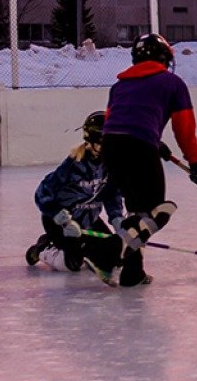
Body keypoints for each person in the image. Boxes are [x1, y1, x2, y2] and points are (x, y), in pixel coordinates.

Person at [95, 33, 197, 287]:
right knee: (159, 211)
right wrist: (195, 164)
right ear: (164, 57)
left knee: (136, 212)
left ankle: (132, 272)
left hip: (110, 147)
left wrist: (155, 142)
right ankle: (124, 244)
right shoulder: (172, 83)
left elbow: (118, 121)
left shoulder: (119, 86)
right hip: (139, 146)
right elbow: (184, 127)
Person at [26, 112, 126, 274]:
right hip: (61, 221)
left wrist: (116, 218)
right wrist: (62, 219)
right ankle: (44, 247)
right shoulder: (73, 165)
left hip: (88, 220)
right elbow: (42, 194)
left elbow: (111, 193)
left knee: (114, 256)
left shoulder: (110, 163)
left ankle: (82, 248)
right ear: (91, 141)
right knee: (72, 264)